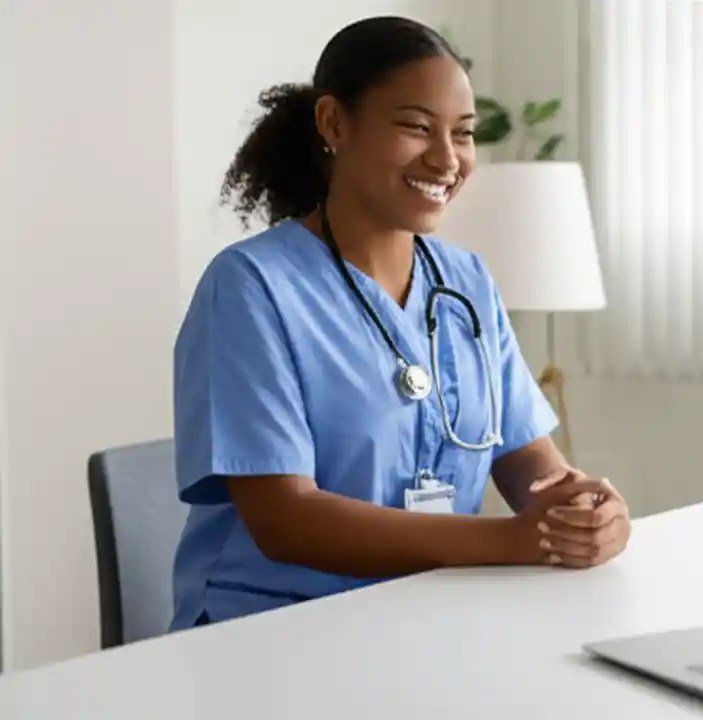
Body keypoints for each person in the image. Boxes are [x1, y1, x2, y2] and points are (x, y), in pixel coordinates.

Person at [169, 16, 630, 630]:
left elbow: (530, 467)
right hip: (274, 630)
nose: (447, 159)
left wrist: (584, 514)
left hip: (426, 620)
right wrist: (510, 542)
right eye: (416, 127)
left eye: (463, 134)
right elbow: (285, 521)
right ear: (334, 123)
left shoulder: (465, 283)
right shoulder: (252, 288)